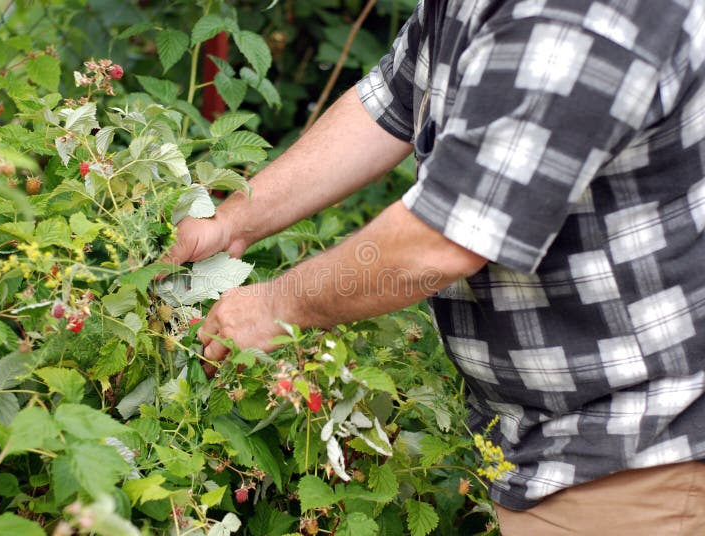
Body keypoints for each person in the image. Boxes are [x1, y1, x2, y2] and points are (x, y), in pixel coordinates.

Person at [162, 0, 705, 533]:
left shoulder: (578, 14)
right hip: (549, 441)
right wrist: (231, 221)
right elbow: (388, 103)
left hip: (637, 445)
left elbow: (443, 239)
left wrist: (275, 306)